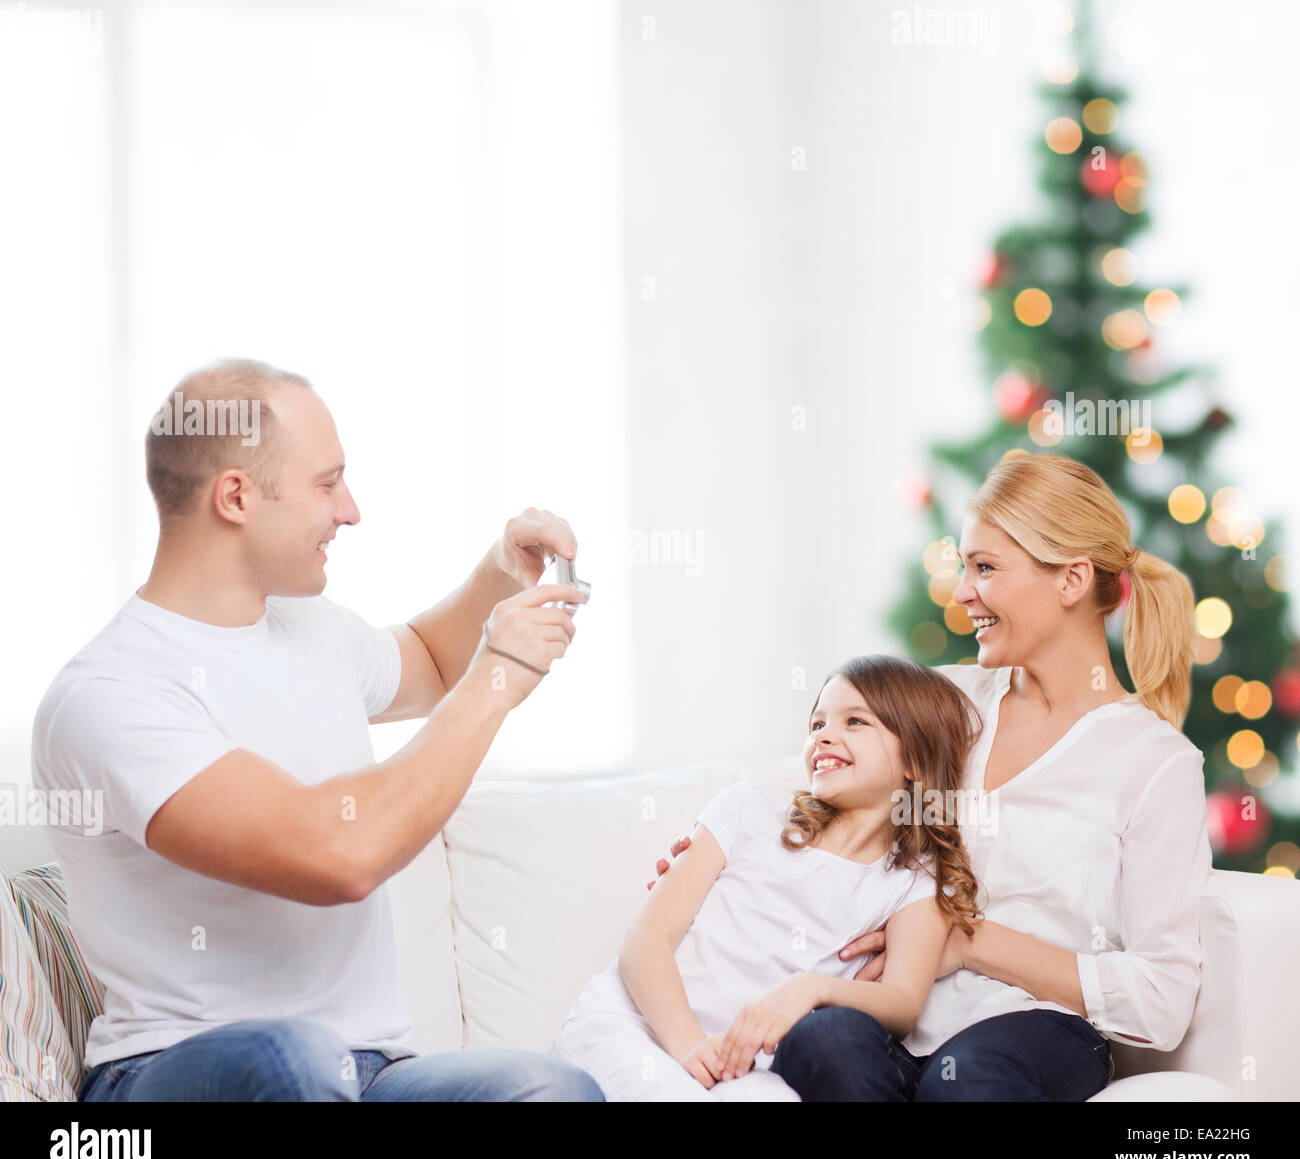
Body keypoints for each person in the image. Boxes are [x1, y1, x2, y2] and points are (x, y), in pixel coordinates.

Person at [31, 358, 603, 1102]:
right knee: (288, 1059)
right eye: (327, 483)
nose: (351, 511)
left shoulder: (311, 629)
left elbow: (431, 659)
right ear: (235, 496)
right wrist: (495, 682)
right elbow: (338, 855)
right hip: (178, 1070)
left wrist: (502, 571)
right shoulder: (110, 694)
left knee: (547, 1088)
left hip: (367, 1073)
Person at [652, 450, 1212, 1101]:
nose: (962, 592)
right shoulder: (948, 701)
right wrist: (720, 854)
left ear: (1072, 580)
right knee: (819, 1042)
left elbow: (1164, 1000)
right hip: (894, 1008)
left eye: (985, 568)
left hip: (1033, 1028)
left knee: (967, 1083)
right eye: (964, 567)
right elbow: (826, 784)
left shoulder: (1155, 763)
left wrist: (966, 939)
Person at [551, 655, 984, 1101]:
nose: (825, 736)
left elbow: (902, 1002)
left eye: (855, 721)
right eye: (817, 724)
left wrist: (812, 989)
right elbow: (646, 939)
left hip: (740, 1069)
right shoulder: (746, 811)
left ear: (914, 757)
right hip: (635, 1029)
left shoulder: (915, 880)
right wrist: (688, 1046)